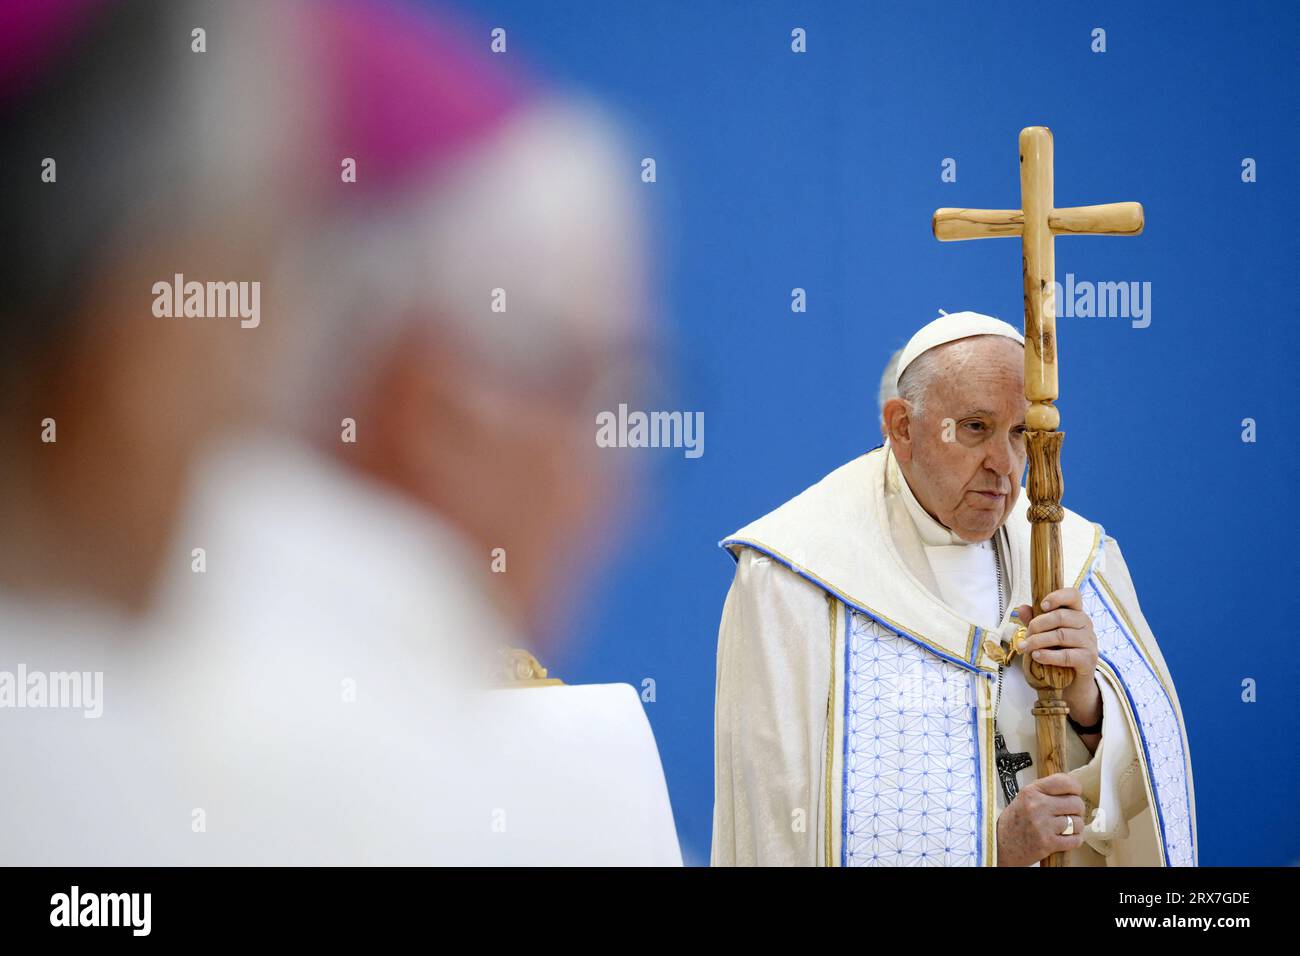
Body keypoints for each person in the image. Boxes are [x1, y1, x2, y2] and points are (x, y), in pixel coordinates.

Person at [711, 310, 1196, 867]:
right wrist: (990, 851)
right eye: (974, 428)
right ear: (901, 428)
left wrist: (1089, 707)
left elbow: (1149, 793)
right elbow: (781, 826)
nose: (1006, 467)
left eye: (1021, 434)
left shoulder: (1073, 554)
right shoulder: (794, 576)